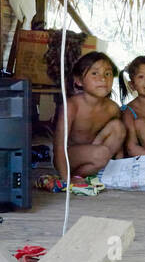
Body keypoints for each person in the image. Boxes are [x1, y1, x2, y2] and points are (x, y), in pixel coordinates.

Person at [54, 51, 126, 181]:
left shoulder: (112, 108)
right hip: (70, 157)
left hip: (96, 156)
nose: (103, 78)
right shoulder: (71, 106)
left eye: (108, 73)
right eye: (94, 73)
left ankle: (80, 176)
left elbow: (118, 144)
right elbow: (59, 147)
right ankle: (72, 177)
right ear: (79, 81)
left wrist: (119, 168)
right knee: (102, 153)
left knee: (118, 127)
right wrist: (65, 180)